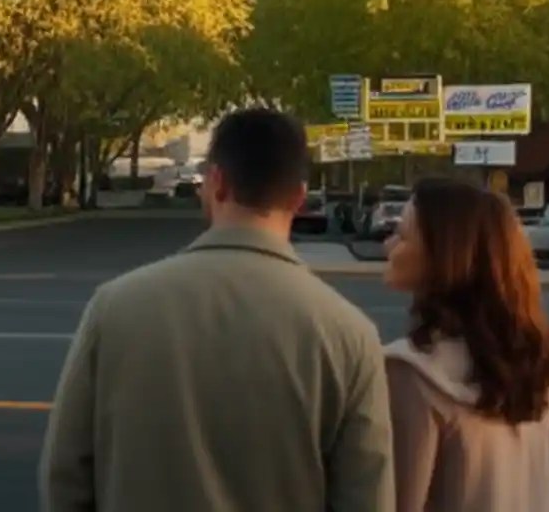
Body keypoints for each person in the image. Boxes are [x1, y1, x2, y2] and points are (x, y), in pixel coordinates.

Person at [39, 108, 395, 512]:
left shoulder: (114, 306)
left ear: (217, 183)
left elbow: (66, 475)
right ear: (298, 198)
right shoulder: (350, 333)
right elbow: (367, 496)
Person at [383, 177, 549, 512]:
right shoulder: (542, 358)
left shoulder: (410, 371)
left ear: (445, 256)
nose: (388, 245)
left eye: (403, 235)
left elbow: (398, 501)